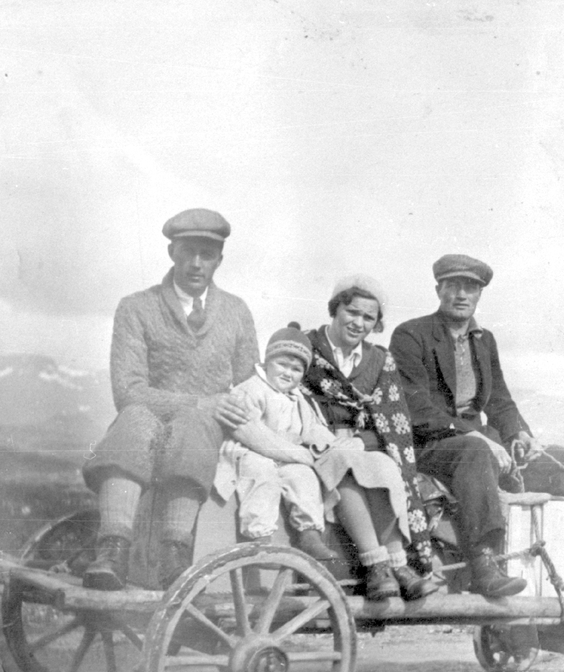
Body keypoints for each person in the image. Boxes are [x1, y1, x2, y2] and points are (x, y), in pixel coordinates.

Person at [389, 254, 564, 598]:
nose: (461, 294)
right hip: (430, 446)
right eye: (453, 285)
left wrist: (519, 434)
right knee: (474, 449)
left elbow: (499, 399)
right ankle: (484, 565)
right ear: (438, 288)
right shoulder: (411, 335)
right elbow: (416, 406)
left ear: (479, 294)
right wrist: (473, 435)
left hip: (478, 446)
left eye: (470, 287)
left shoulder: (483, 340)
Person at [83, 208, 259, 591]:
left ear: (219, 259)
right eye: (188, 252)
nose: (197, 264)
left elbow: (249, 388)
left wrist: (219, 412)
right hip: (148, 422)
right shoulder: (136, 307)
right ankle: (112, 550)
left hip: (207, 432)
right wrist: (199, 402)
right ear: (172, 253)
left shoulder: (237, 312)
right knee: (134, 418)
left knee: (195, 426)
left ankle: (175, 554)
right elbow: (128, 390)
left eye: (207, 254)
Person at [300, 276, 439, 601]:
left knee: (385, 468)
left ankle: (397, 563)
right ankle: (375, 563)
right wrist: (329, 439)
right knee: (344, 463)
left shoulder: (379, 360)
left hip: (362, 444)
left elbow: (392, 419)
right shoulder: (308, 348)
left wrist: (362, 440)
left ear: (376, 323)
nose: (358, 322)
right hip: (314, 440)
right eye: (352, 312)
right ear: (336, 309)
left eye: (368, 318)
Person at [214, 324, 340, 560]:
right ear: (267, 363)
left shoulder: (298, 399)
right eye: (281, 365)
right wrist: (299, 454)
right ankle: (259, 538)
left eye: (296, 369)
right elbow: (250, 432)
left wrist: (335, 447)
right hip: (252, 451)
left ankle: (309, 533)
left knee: (304, 476)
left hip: (286, 458)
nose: (287, 373)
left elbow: (313, 429)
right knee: (261, 474)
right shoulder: (251, 389)